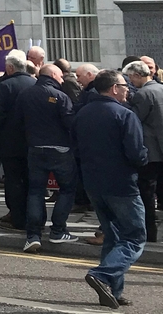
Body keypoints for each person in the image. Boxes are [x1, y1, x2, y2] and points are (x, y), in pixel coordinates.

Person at [75, 70, 149, 309]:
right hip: (121, 184)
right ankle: (102, 275)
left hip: (93, 183)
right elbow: (136, 154)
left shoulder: (83, 113)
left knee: (113, 236)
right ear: (114, 88)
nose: (127, 90)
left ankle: (113, 292)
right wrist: (145, 157)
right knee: (135, 237)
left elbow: (76, 148)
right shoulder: (124, 114)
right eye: (124, 86)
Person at [17, 62, 78, 252]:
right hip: (60, 150)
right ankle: (58, 230)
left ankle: (33, 235)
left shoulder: (25, 95)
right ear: (52, 75)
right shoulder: (60, 96)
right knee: (67, 189)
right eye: (60, 76)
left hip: (35, 149)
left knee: (36, 191)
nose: (62, 80)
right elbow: (70, 123)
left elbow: (18, 121)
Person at [0, 50, 35, 232]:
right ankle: (34, 216)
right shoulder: (35, 83)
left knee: (13, 181)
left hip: (10, 143)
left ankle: (17, 218)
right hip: (32, 142)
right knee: (31, 181)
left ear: (10, 68)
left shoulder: (4, 85)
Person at [126, 60, 163, 243]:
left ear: (137, 75)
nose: (130, 82)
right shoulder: (161, 88)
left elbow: (135, 120)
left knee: (147, 193)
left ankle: (150, 232)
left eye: (131, 78)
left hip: (151, 151)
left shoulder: (143, 94)